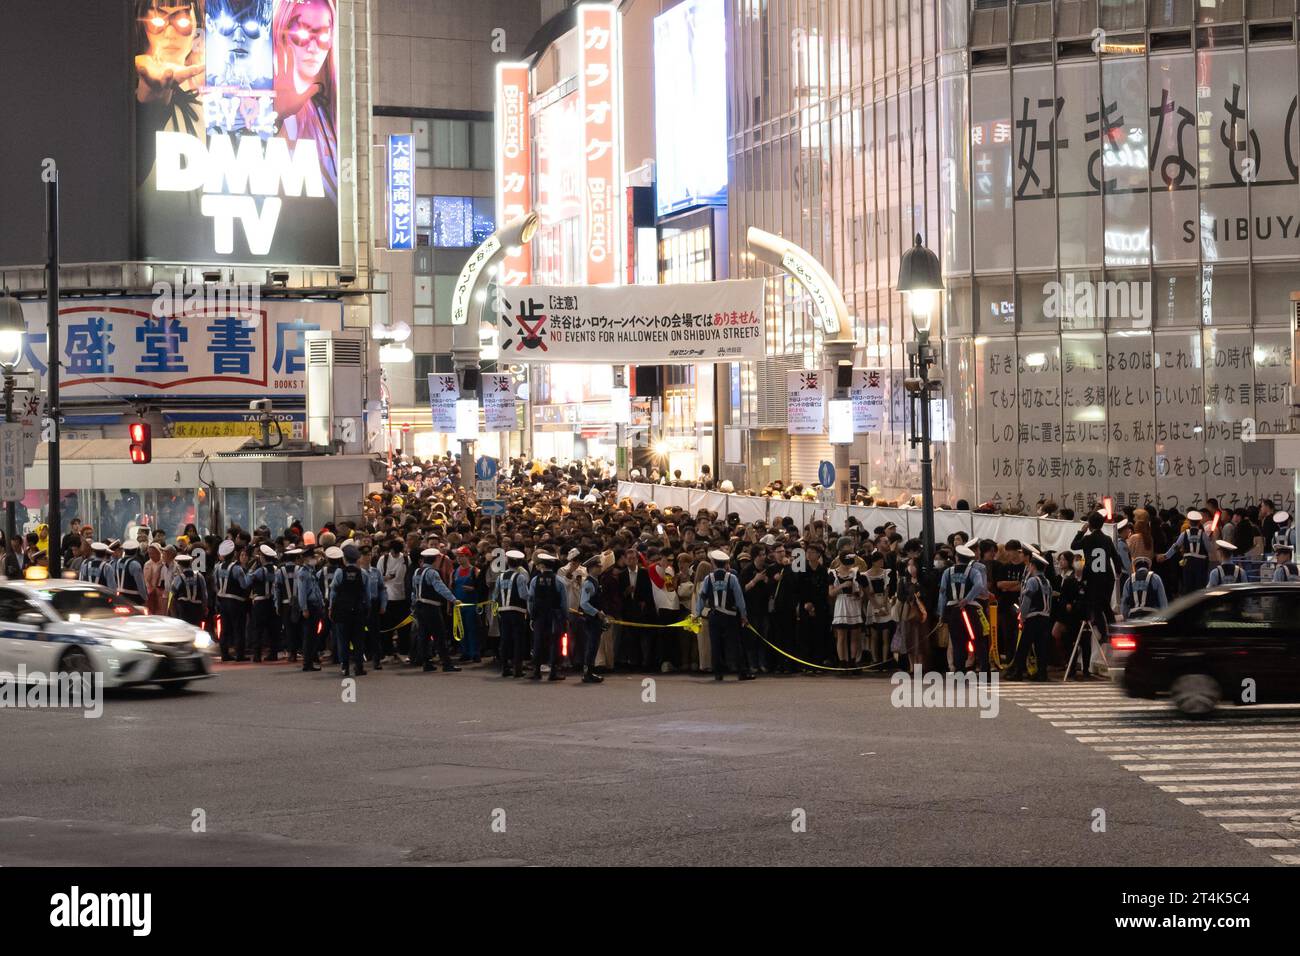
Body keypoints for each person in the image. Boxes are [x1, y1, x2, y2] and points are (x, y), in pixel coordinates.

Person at [694, 549, 753, 681]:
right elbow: (739, 598)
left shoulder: (708, 579)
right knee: (735, 644)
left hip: (714, 616)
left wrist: (697, 613)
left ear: (714, 563)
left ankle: (718, 673)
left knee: (716, 644)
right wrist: (744, 615)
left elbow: (702, 598)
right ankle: (742, 672)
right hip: (730, 616)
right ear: (725, 563)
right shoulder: (731, 578)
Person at [934, 544, 989, 673]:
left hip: (953, 611)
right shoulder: (974, 571)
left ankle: (960, 672)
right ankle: (985, 673)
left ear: (956, 558)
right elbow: (980, 586)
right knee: (978, 640)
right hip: (971, 610)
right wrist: (967, 599)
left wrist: (941, 614)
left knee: (958, 643)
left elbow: (942, 594)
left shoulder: (947, 572)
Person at [1071, 512, 1123, 647]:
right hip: (1107, 577)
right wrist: (1118, 571)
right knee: (1106, 605)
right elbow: (1115, 557)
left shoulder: (1087, 539)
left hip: (1093, 577)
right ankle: (1114, 632)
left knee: (1096, 607)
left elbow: (1074, 546)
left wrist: (1080, 532)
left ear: (1089, 525)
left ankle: (1104, 635)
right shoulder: (1107, 539)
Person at [411, 548, 460, 673]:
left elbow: (414, 590)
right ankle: (446, 663)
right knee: (440, 635)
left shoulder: (417, 571)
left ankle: (426, 662)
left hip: (419, 605)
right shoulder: (432, 572)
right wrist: (453, 599)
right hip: (431, 607)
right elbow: (441, 588)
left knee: (424, 635)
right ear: (436, 559)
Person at [1006, 551, 1052, 682]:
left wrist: (1022, 616)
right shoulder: (1047, 582)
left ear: (1033, 566)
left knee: (1023, 646)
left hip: (1033, 618)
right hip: (1045, 617)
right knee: (1041, 647)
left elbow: (1027, 600)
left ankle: (1018, 673)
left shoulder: (1032, 581)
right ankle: (1042, 674)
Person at [329, 544, 371, 677]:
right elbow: (367, 594)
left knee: (343, 639)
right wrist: (367, 608)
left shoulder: (339, 573)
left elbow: (333, 592)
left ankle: (344, 667)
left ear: (344, 559)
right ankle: (359, 667)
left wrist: (331, 607)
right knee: (359, 640)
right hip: (358, 611)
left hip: (342, 611)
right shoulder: (363, 573)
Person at [528, 553, 568, 681]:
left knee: (538, 642)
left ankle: (536, 671)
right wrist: (565, 617)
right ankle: (554, 671)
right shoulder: (559, 580)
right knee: (555, 642)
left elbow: (530, 599)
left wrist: (531, 615)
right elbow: (564, 602)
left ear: (542, 565)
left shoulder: (535, 580)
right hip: (555, 616)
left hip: (539, 615)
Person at [1160, 509, 1214, 593]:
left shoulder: (1184, 534)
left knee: (1188, 586)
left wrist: (1166, 556)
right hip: (1201, 563)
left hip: (1188, 563)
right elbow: (1209, 549)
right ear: (1199, 522)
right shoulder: (1203, 534)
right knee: (1200, 586)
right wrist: (1209, 540)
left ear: (1189, 521)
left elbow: (1176, 547)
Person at [495, 550, 530, 678]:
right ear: (520, 563)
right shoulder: (520, 577)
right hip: (517, 611)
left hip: (503, 611)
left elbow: (495, 595)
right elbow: (524, 595)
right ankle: (518, 669)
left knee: (505, 639)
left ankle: (505, 667)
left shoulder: (500, 576)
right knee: (518, 640)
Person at [214, 540, 251, 662]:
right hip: (236, 602)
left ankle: (224, 653)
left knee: (225, 628)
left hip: (222, 601)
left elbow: (215, 584)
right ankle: (240, 654)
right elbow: (244, 584)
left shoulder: (218, 567)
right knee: (239, 628)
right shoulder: (237, 569)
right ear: (234, 554)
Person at [577, 554, 607, 683]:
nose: (600, 568)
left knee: (594, 645)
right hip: (591, 619)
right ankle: (588, 672)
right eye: (597, 566)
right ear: (590, 568)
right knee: (592, 645)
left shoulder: (595, 581)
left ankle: (590, 671)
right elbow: (584, 603)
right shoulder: (589, 583)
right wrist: (596, 612)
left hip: (594, 618)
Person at [829, 560, 864, 669]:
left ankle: (852, 661)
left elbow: (861, 591)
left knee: (855, 634)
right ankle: (842, 662)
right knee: (841, 635)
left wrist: (858, 594)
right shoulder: (833, 573)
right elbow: (831, 593)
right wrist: (843, 585)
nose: (849, 565)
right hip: (841, 603)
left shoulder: (855, 572)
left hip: (853, 603)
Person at [248, 544, 279, 662]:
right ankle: (273, 653)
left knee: (258, 629)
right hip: (273, 602)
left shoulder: (260, 571)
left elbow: (246, 581)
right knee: (273, 629)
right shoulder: (277, 570)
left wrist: (252, 568)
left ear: (263, 558)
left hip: (260, 602)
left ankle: (257, 655)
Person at [296, 547, 326, 671]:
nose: (314, 559)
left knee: (313, 636)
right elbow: (302, 592)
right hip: (310, 606)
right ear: (306, 558)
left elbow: (316, 589)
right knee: (309, 636)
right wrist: (304, 608)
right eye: (312, 557)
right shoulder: (303, 572)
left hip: (316, 606)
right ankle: (307, 663)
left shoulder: (311, 571)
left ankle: (310, 661)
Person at [276, 547, 304, 663]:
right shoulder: (300, 569)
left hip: (285, 604)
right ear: (296, 558)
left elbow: (276, 590)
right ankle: (300, 650)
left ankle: (291, 653)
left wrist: (277, 605)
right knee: (299, 628)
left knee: (288, 629)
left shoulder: (280, 571)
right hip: (299, 603)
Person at [167, 553, 207, 627]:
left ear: (179, 565)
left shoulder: (178, 578)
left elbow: (172, 594)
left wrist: (169, 609)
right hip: (197, 609)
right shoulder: (199, 576)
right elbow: (204, 594)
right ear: (190, 564)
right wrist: (205, 607)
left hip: (183, 609)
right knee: (196, 629)